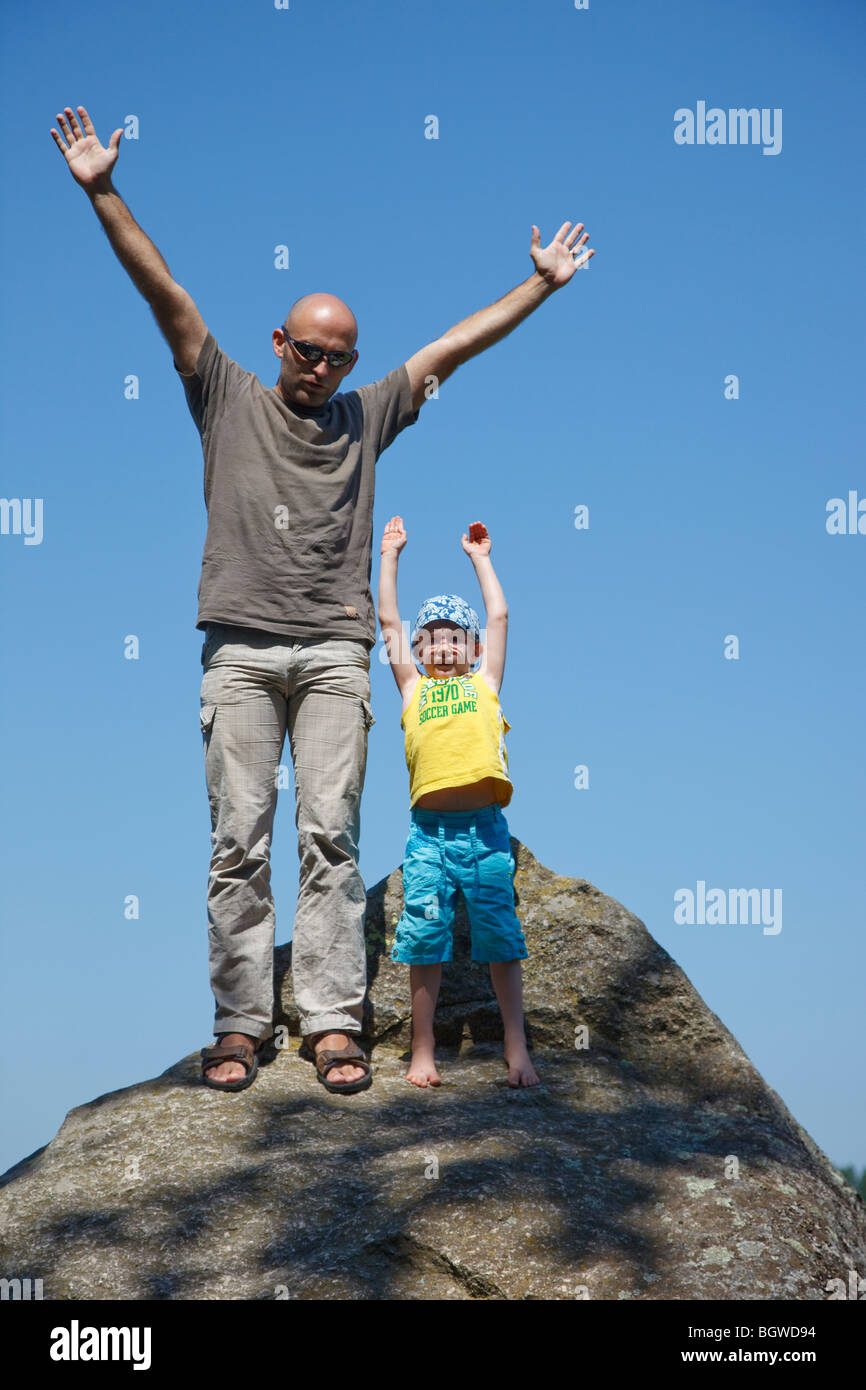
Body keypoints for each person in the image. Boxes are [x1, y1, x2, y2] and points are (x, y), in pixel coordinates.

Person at [50, 103, 592, 1092]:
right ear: (279, 342)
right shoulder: (224, 393)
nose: (324, 368)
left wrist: (539, 287)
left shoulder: (365, 415)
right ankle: (239, 1025)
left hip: (338, 650)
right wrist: (101, 189)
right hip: (242, 651)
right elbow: (164, 292)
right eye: (310, 351)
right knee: (235, 844)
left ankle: (333, 1020)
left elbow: (451, 348)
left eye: (340, 355)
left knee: (330, 839)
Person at [378, 516, 539, 1088]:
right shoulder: (412, 688)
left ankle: (516, 1045)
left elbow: (498, 615)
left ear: (471, 650)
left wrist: (480, 558)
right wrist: (390, 556)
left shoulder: (484, 684)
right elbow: (388, 620)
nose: (443, 644)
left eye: (455, 636)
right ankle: (423, 1051)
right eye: (432, 637)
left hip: (485, 831)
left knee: (499, 933)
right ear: (418, 651)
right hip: (428, 836)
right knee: (424, 936)